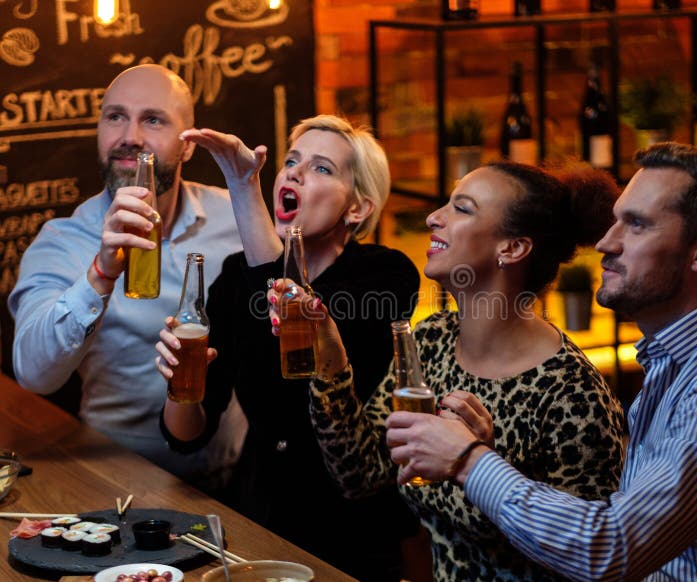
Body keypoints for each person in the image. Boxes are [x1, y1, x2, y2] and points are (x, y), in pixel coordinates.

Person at [386, 143, 697, 580]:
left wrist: (468, 460)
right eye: (616, 219)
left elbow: (611, 550)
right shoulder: (674, 358)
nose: (606, 241)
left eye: (636, 225)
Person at [277, 161, 627, 580]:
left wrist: (478, 466)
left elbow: (592, 561)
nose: (433, 217)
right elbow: (363, 472)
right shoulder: (432, 340)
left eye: (461, 208)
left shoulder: (572, 395)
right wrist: (330, 355)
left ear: (512, 248)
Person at [156, 115, 422, 581]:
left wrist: (243, 187)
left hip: (351, 535)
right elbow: (187, 435)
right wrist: (182, 385)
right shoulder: (235, 277)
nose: (294, 173)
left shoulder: (385, 277)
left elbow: (288, 322)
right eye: (292, 161)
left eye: (322, 169)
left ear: (357, 209)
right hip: (257, 521)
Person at [8, 64, 247, 488]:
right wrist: (100, 273)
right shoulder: (63, 241)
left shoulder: (237, 216)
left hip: (238, 478)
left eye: (152, 119)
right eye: (115, 116)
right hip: (119, 478)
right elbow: (33, 373)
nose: (130, 136)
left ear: (188, 145)